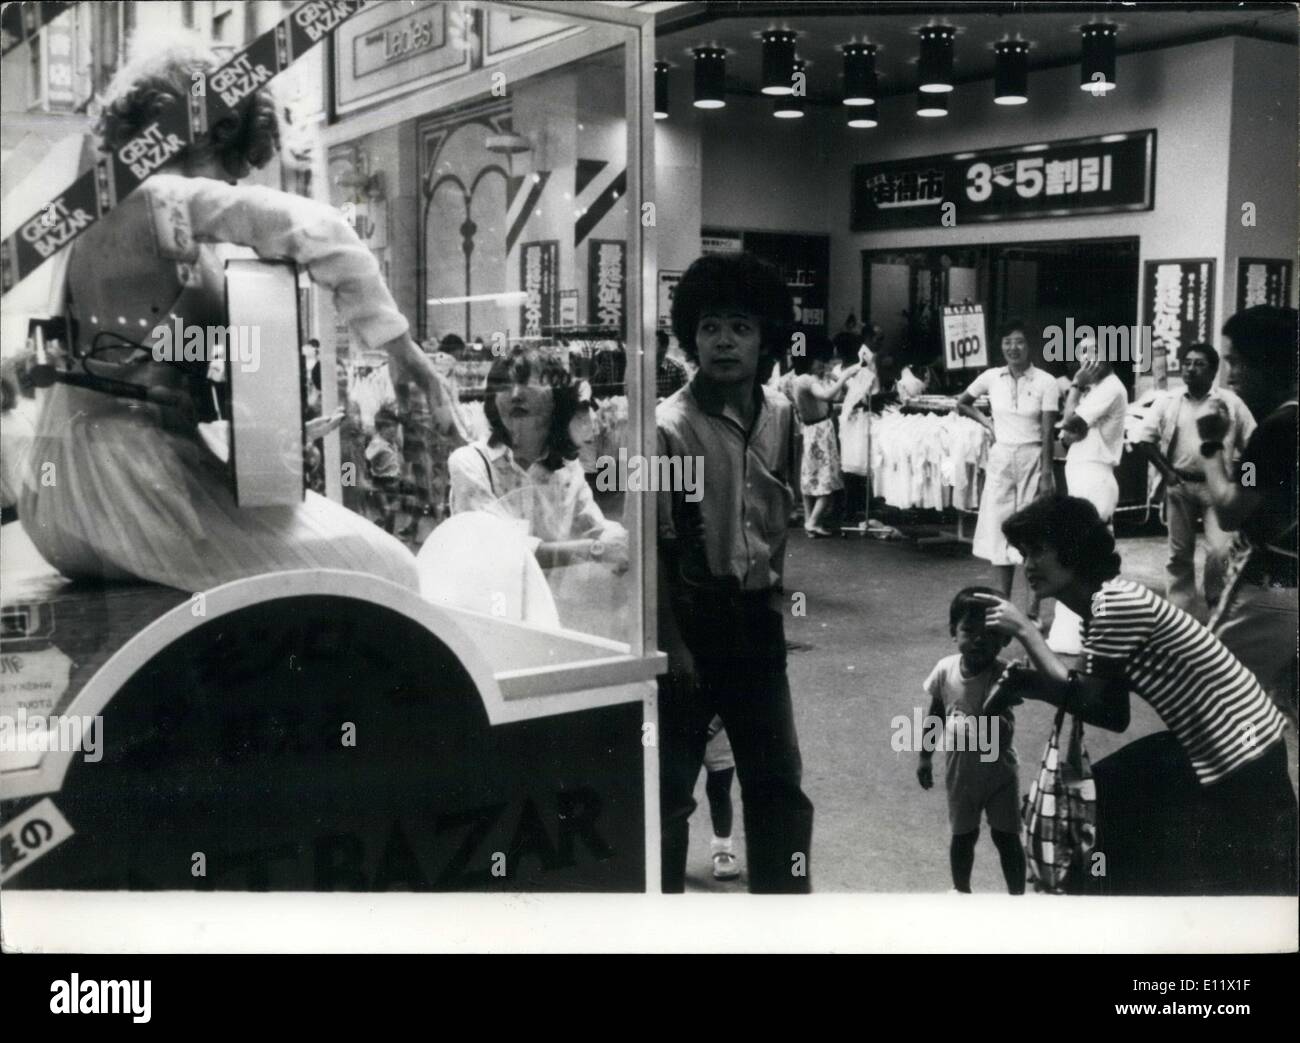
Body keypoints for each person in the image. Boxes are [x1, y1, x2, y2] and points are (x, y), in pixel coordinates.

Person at [15, 36, 459, 593]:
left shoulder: (96, 217)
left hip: (79, 490)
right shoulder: (151, 200)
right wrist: (398, 346)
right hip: (127, 489)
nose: (230, 183)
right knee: (387, 571)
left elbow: (133, 374)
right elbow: (316, 228)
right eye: (228, 167)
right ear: (202, 133)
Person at [980, 495, 1296, 895]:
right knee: (1101, 804)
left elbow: (1092, 700)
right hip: (1236, 749)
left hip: (1239, 759)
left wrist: (1026, 633)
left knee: (1102, 815)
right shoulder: (1103, 608)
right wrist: (1027, 683)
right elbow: (1113, 713)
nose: (1028, 565)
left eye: (1038, 550)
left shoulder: (1115, 604)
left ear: (1072, 549)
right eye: (1024, 554)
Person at [656, 251, 814, 894]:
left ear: (764, 337)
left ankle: (785, 920)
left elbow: (780, 520)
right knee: (668, 794)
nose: (724, 341)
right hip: (689, 628)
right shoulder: (667, 428)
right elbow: (658, 551)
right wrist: (674, 648)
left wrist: (773, 606)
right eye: (711, 326)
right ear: (691, 336)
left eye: (741, 327)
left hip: (755, 625)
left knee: (778, 785)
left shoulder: (781, 417)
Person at [1199, 306, 1298, 718]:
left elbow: (1230, 508)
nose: (1231, 376)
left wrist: (1210, 446)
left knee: (1210, 698)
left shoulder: (1276, 429)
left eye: (1237, 362)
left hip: (1268, 587)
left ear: (1268, 363)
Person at [447, 346, 627, 571]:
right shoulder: (470, 463)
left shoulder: (567, 468)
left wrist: (619, 539)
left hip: (551, 602)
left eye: (526, 384)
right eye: (503, 387)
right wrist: (592, 549)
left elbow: (593, 525)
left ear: (556, 398)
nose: (514, 395)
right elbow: (499, 549)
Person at [1133, 342, 1256, 615]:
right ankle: (1179, 614)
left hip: (1218, 487)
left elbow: (1252, 446)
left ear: (1213, 371)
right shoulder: (1170, 401)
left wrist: (1246, 486)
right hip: (1180, 485)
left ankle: (1216, 605)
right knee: (1179, 555)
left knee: (1220, 551)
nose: (1190, 369)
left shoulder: (1230, 403)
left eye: (1198, 364)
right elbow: (1145, 440)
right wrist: (1168, 474)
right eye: (1187, 363)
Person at [917, 586, 1025, 895]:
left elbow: (1004, 715)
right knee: (963, 836)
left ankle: (1019, 898)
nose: (979, 639)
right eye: (969, 630)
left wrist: (1013, 684)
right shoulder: (945, 670)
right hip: (960, 773)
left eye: (990, 633)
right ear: (954, 632)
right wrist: (925, 756)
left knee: (1007, 837)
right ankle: (961, 891)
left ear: (1005, 639)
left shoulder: (1005, 673)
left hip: (1000, 773)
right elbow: (935, 714)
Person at [956, 318, 1059, 612]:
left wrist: (1047, 473)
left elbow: (1048, 431)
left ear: (1030, 346)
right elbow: (962, 403)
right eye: (1007, 343)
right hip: (1001, 459)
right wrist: (987, 423)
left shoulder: (1045, 382)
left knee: (1032, 535)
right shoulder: (991, 377)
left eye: (1019, 342)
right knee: (1000, 529)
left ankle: (1033, 609)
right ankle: (1004, 606)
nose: (1013, 348)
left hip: (1033, 458)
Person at [1047, 341, 1128, 653]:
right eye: (1082, 353)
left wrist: (1076, 387)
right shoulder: (1096, 391)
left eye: (1094, 353)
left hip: (1095, 478)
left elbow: (1070, 425)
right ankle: (1078, 634)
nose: (1087, 359)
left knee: (1084, 555)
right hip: (1083, 475)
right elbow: (1068, 436)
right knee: (1080, 554)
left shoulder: (1108, 388)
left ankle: (1091, 633)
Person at [791, 333, 862, 537]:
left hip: (816, 429)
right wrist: (845, 376)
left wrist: (835, 379)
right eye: (820, 362)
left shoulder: (807, 379)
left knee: (811, 477)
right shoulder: (805, 380)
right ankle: (812, 521)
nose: (823, 366)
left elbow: (837, 394)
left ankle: (809, 521)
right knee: (825, 478)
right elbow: (828, 395)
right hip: (819, 431)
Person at [701, 716, 741, 881]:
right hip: (679, 722)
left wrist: (715, 723)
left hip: (718, 725)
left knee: (719, 788)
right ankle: (670, 851)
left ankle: (723, 848)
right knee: (676, 791)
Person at [366, 408, 404, 535]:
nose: (393, 429)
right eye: (388, 426)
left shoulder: (392, 442)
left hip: (394, 481)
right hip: (381, 482)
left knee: (392, 512)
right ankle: (378, 527)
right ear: (380, 429)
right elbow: (367, 457)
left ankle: (389, 535)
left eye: (395, 426)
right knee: (387, 511)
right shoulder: (377, 443)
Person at [655, 330, 689, 399]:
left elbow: (687, 398)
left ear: (664, 347)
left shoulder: (677, 369)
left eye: (653, 344)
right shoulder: (642, 368)